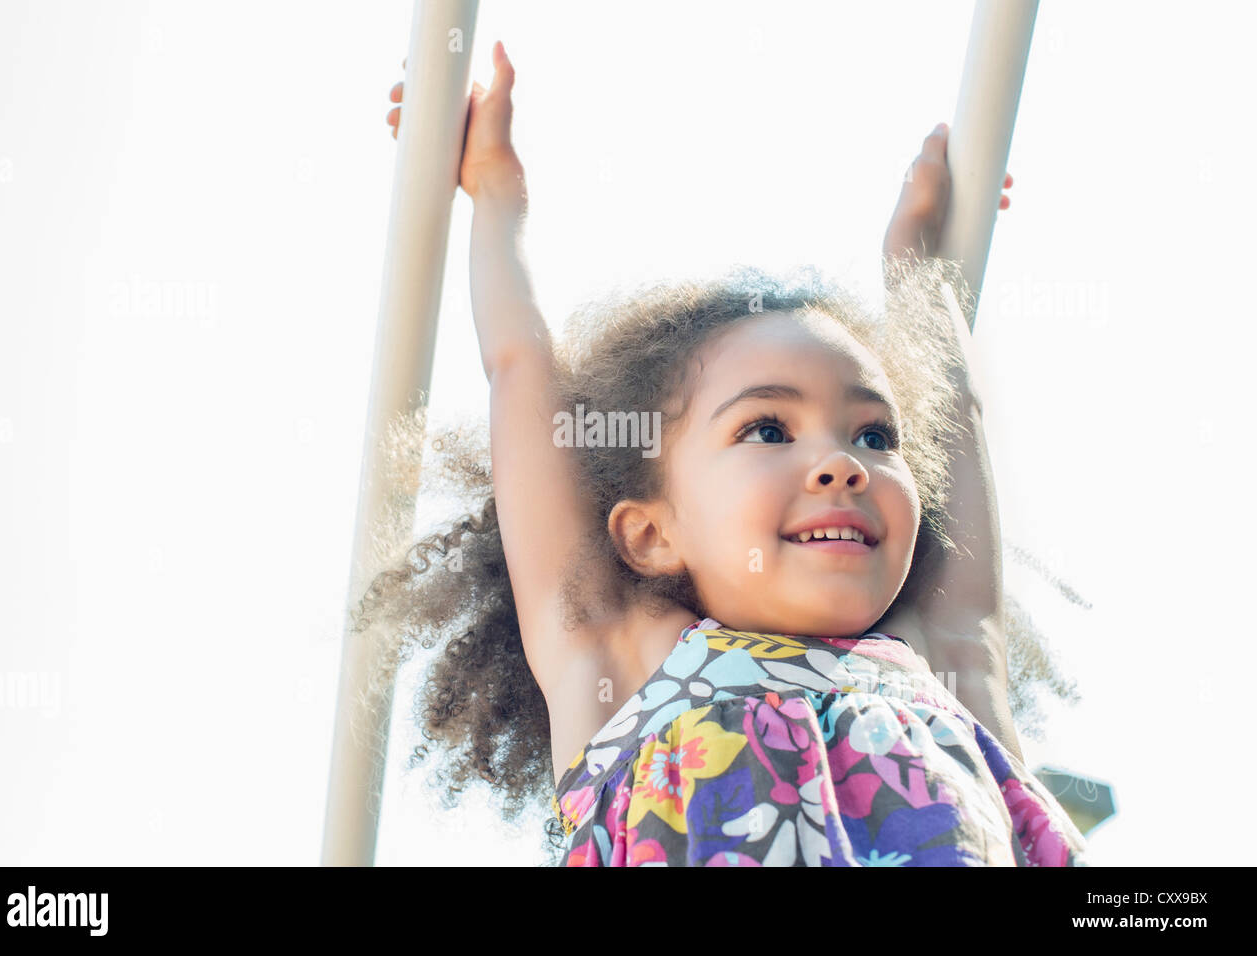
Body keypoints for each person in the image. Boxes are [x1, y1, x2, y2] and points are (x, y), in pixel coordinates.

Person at [371, 40, 1088, 866]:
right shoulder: (625, 656)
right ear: (650, 532)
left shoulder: (946, 664)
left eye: (875, 435)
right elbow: (521, 373)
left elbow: (956, 412)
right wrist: (497, 199)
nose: (842, 464)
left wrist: (919, 271)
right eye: (768, 430)